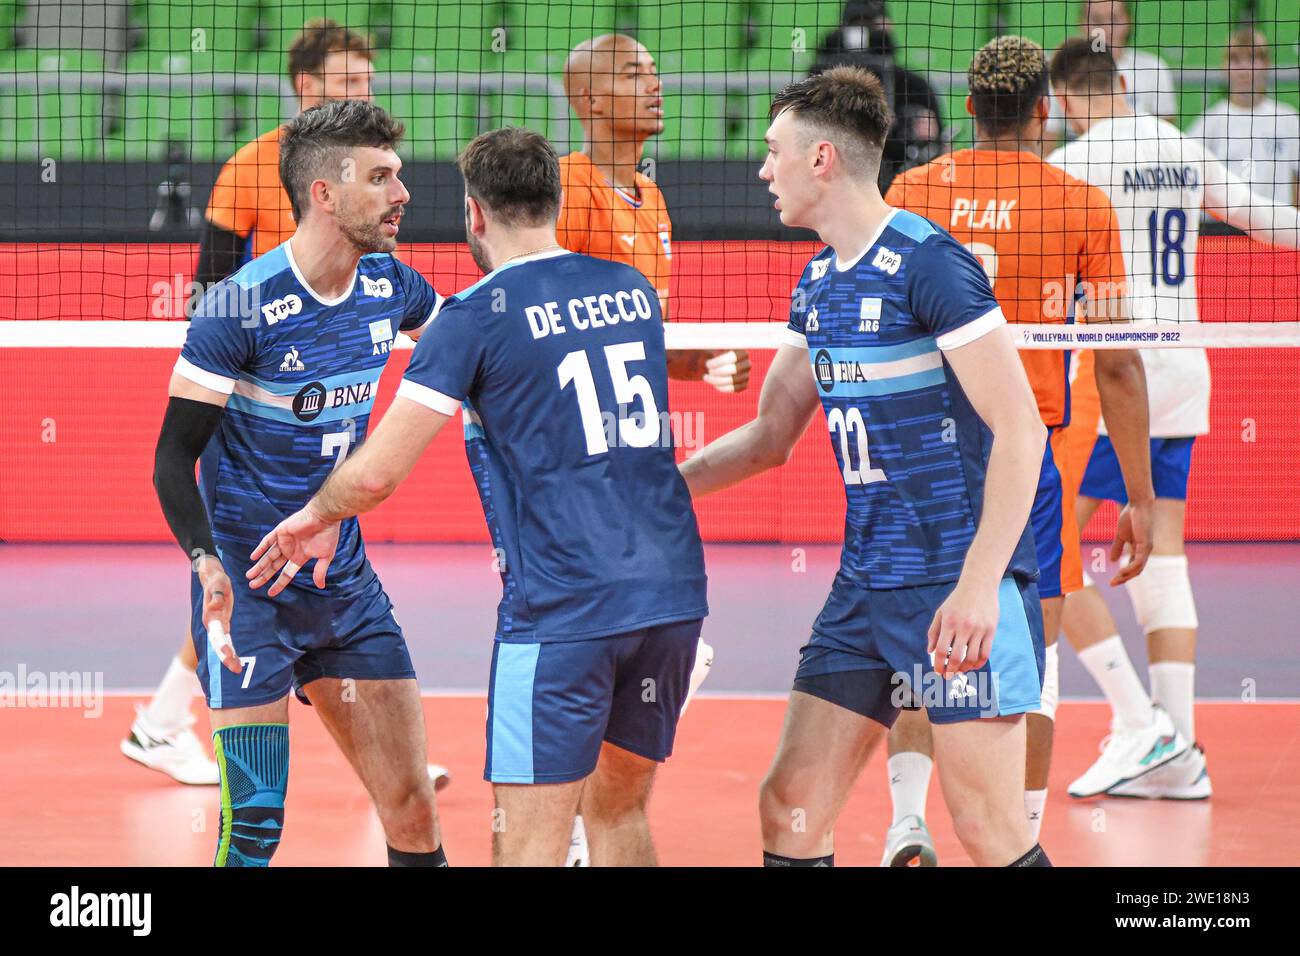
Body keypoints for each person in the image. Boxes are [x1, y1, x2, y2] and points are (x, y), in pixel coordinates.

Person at [246, 127, 710, 867]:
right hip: (675, 600)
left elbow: (376, 473)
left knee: (525, 843)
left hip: (563, 611)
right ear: (556, 202)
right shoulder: (629, 293)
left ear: (474, 214)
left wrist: (313, 517)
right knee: (619, 814)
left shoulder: (471, 318)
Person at [680, 65, 1050, 868]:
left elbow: (1022, 429)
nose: (761, 168)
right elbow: (770, 436)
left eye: (773, 150)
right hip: (865, 584)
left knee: (987, 828)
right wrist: (655, 493)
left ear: (821, 158)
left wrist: (981, 584)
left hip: (952, 575)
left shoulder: (930, 264)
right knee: (792, 805)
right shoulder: (816, 284)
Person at [127, 18, 450, 790]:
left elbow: (425, 320)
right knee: (246, 573)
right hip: (259, 374)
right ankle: (173, 719)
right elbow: (208, 281)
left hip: (327, 453)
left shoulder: (374, 208)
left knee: (284, 583)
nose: (359, 92)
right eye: (345, 82)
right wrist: (250, 342)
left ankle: (172, 719)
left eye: (367, 82)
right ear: (305, 88)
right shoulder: (249, 171)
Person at [880, 35, 1156, 863]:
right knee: (1026, 652)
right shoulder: (1081, 205)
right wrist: (1138, 497)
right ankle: (1022, 839)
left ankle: (905, 822)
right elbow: (1116, 359)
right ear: (1045, 111)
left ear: (966, 109)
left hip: (922, 449)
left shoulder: (911, 189)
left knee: (918, 638)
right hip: (1023, 453)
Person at [1050, 37, 1300, 799]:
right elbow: (1266, 220)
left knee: (1048, 548)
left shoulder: (1074, 164)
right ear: (1122, 81)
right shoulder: (1181, 148)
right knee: (1163, 556)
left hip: (1115, 373)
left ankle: (1140, 722)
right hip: (1186, 368)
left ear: (1062, 100)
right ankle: (1183, 757)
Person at [557, 31, 749, 863]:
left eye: (657, 72)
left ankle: (580, 816)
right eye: (635, 75)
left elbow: (637, 335)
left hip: (634, 455)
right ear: (590, 100)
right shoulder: (568, 188)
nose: (657, 85)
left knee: (672, 647)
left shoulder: (653, 199)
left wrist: (699, 360)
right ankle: (563, 822)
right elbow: (549, 322)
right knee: (600, 644)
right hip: (573, 460)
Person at [811, 0, 945, 190]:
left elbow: (937, 143)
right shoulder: (820, 79)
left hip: (895, 176)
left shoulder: (913, 85)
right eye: (857, 23)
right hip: (836, 179)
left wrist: (926, 134)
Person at [1189, 28, 1300, 207]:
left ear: (1267, 64)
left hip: (1276, 224)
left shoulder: (1288, 119)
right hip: (1223, 227)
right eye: (1235, 60)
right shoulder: (1210, 122)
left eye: (1253, 59)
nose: (1244, 69)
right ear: (1224, 66)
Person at [1044, 1, 1177, 148]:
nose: (1105, 30)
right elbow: (1047, 145)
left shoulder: (1153, 69)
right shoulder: (1063, 72)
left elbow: (1166, 141)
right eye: (1096, 20)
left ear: (1128, 21)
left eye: (1114, 19)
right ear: (1082, 23)